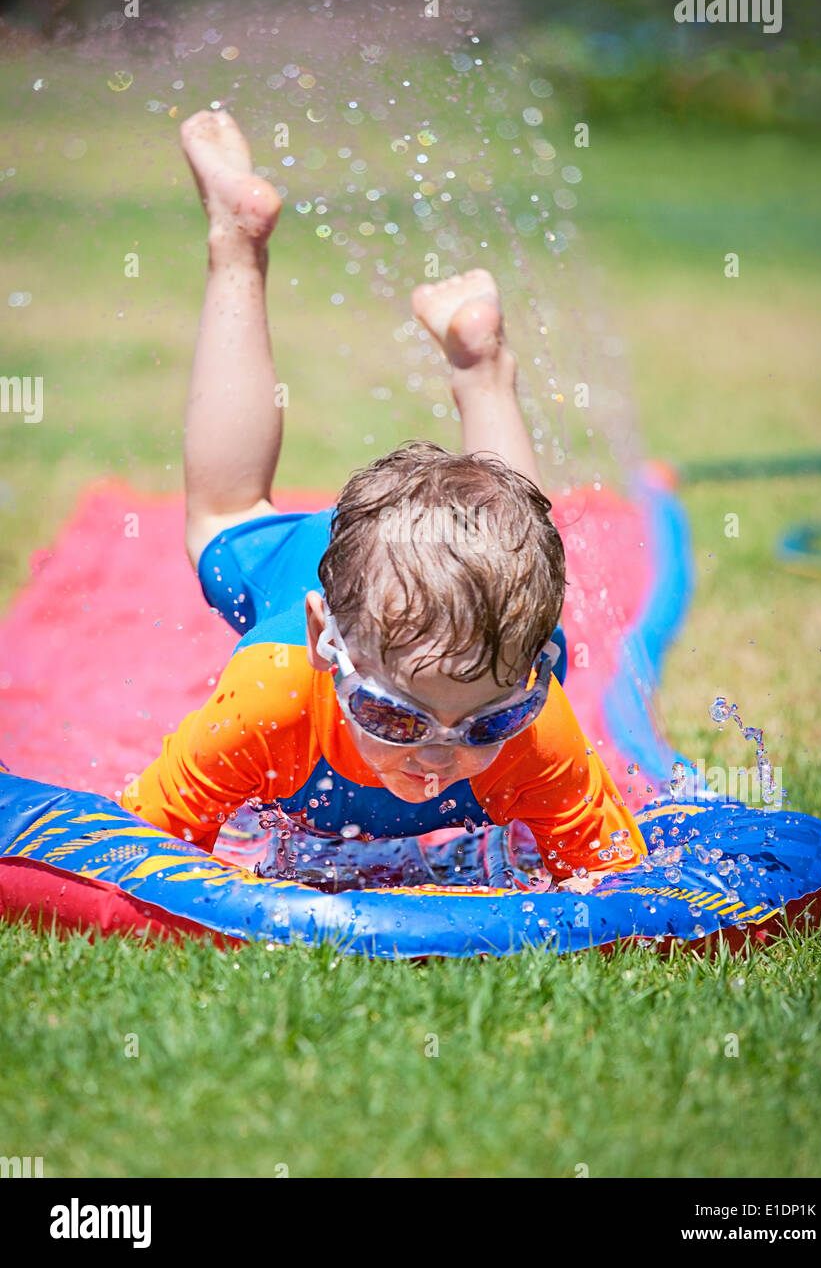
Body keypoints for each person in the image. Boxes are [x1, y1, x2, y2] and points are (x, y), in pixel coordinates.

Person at [122, 110, 646, 893]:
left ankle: (480, 362)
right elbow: (127, 857)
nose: (438, 758)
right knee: (222, 517)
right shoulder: (270, 701)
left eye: (486, 723)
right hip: (304, 565)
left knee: (511, 548)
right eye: (396, 718)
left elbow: (625, 893)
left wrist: (505, 719)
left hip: (489, 616)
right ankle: (237, 246)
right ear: (324, 639)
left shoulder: (538, 724)